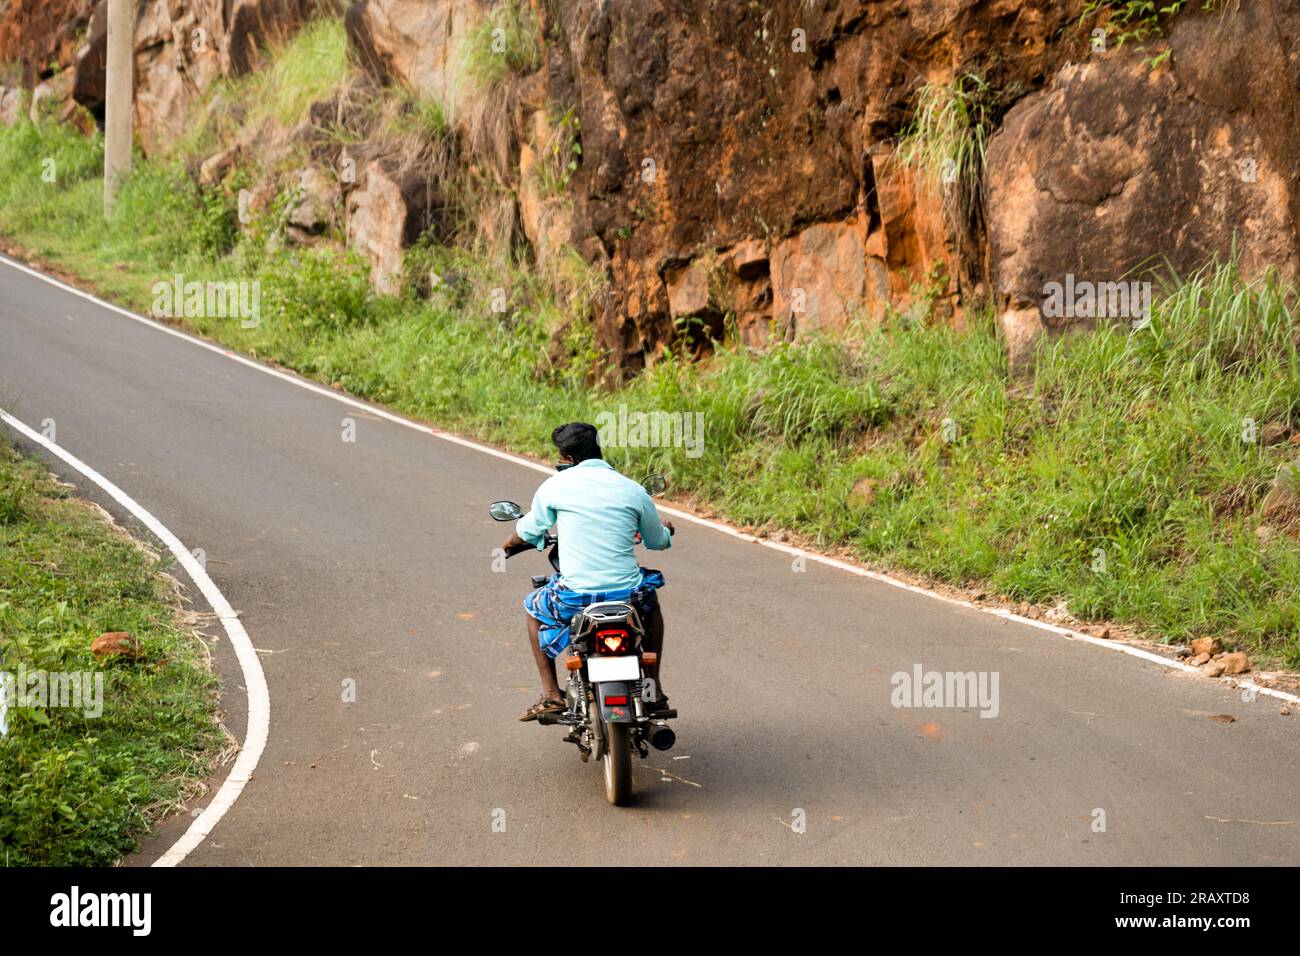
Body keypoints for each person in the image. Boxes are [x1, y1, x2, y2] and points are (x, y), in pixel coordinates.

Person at [501, 422, 675, 722]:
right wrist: (667, 531)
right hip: (629, 597)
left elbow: (529, 530)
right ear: (599, 449)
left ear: (565, 457)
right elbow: (658, 541)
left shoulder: (555, 486)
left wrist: (508, 546)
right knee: (652, 603)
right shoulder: (632, 489)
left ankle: (551, 696)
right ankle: (654, 688)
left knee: (533, 609)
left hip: (575, 598)